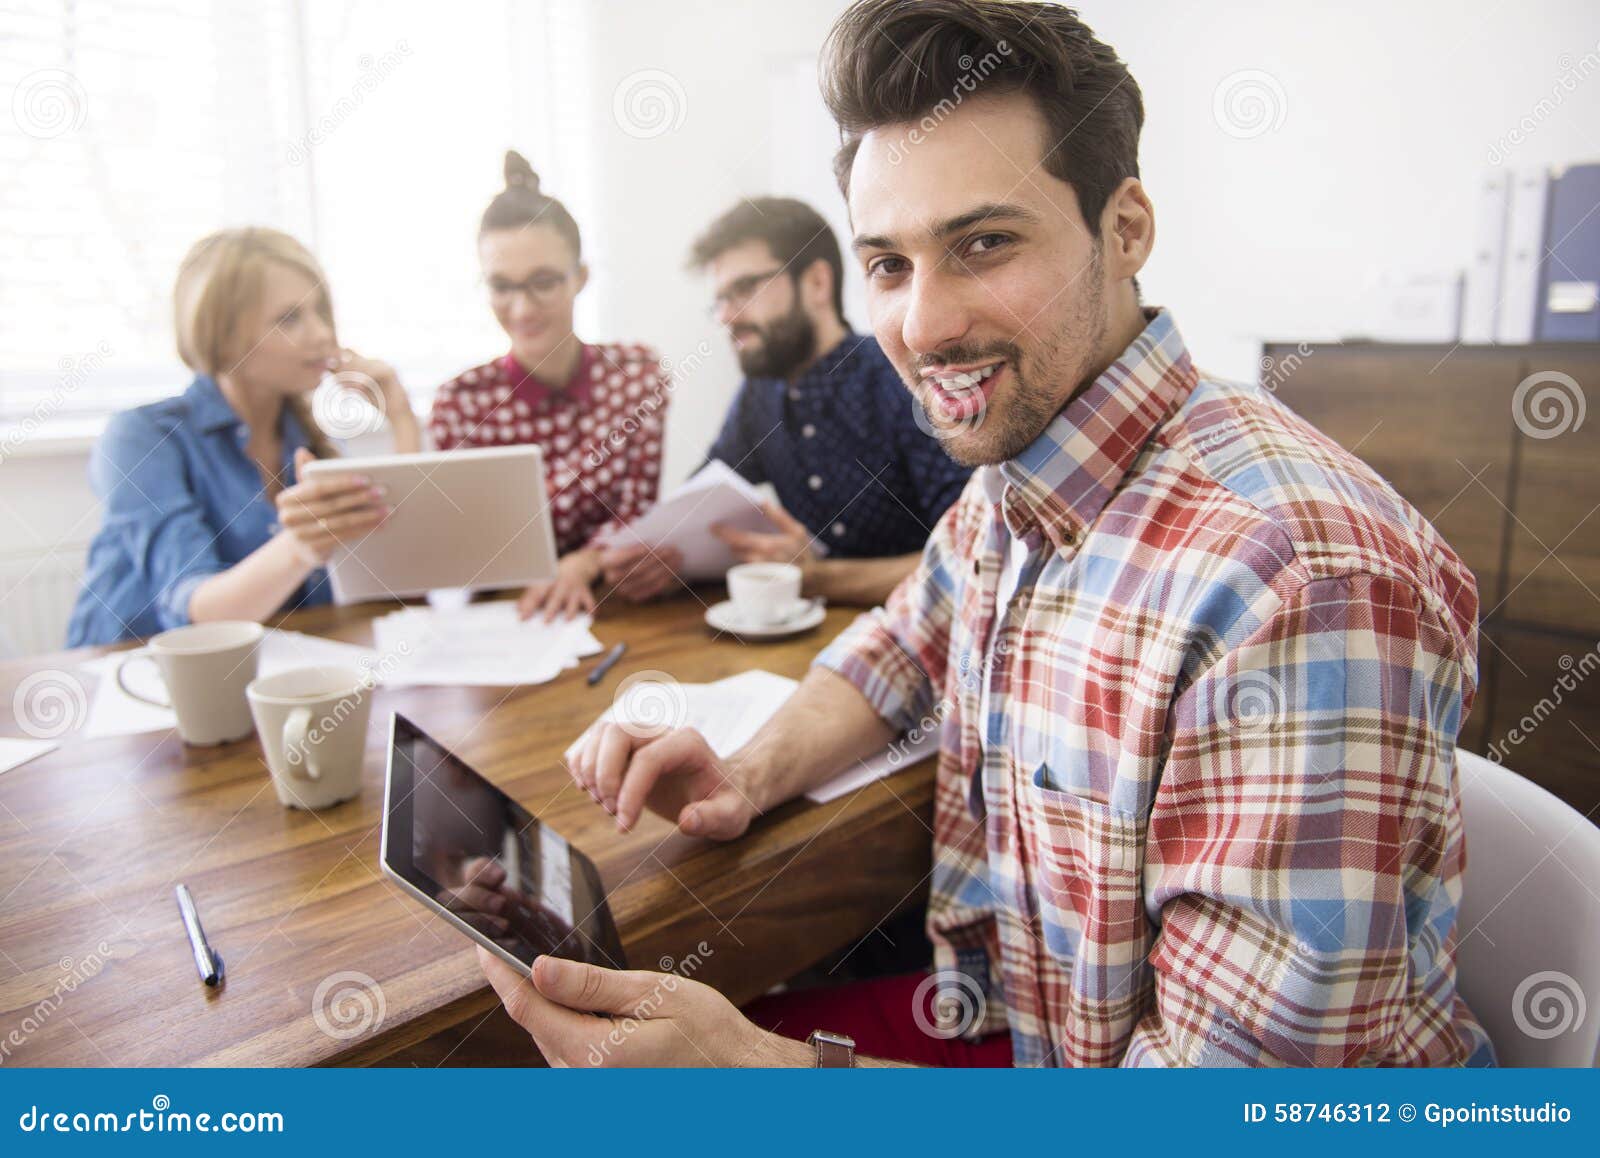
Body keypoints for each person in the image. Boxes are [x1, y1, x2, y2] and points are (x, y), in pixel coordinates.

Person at [477, 0, 1495, 1068]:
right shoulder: (1025, 469)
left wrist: (755, 1074)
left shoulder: (1298, 589)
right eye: (889, 264)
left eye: (984, 244)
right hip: (1032, 1036)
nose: (922, 326)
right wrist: (748, 771)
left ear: (1126, 229)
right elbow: (900, 646)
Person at [602, 197, 972, 608]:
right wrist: (666, 559)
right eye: (720, 300)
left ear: (816, 283)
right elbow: (695, 506)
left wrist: (817, 578)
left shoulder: (905, 382)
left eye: (745, 289)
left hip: (925, 637)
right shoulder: (759, 394)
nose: (727, 316)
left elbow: (970, 558)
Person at [66, 228, 419, 648]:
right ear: (224, 336)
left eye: (321, 312)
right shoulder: (141, 438)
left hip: (267, 668)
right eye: (289, 319)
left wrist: (401, 420)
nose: (323, 334)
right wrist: (300, 546)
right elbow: (197, 613)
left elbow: (396, 579)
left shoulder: (309, 443)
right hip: (133, 671)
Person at [429, 151, 672, 620]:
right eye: (502, 286)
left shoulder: (637, 376)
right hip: (507, 616)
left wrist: (585, 563)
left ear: (580, 278)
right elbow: (467, 547)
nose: (522, 309)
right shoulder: (460, 404)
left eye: (542, 282)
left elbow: (636, 515)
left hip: (612, 604)